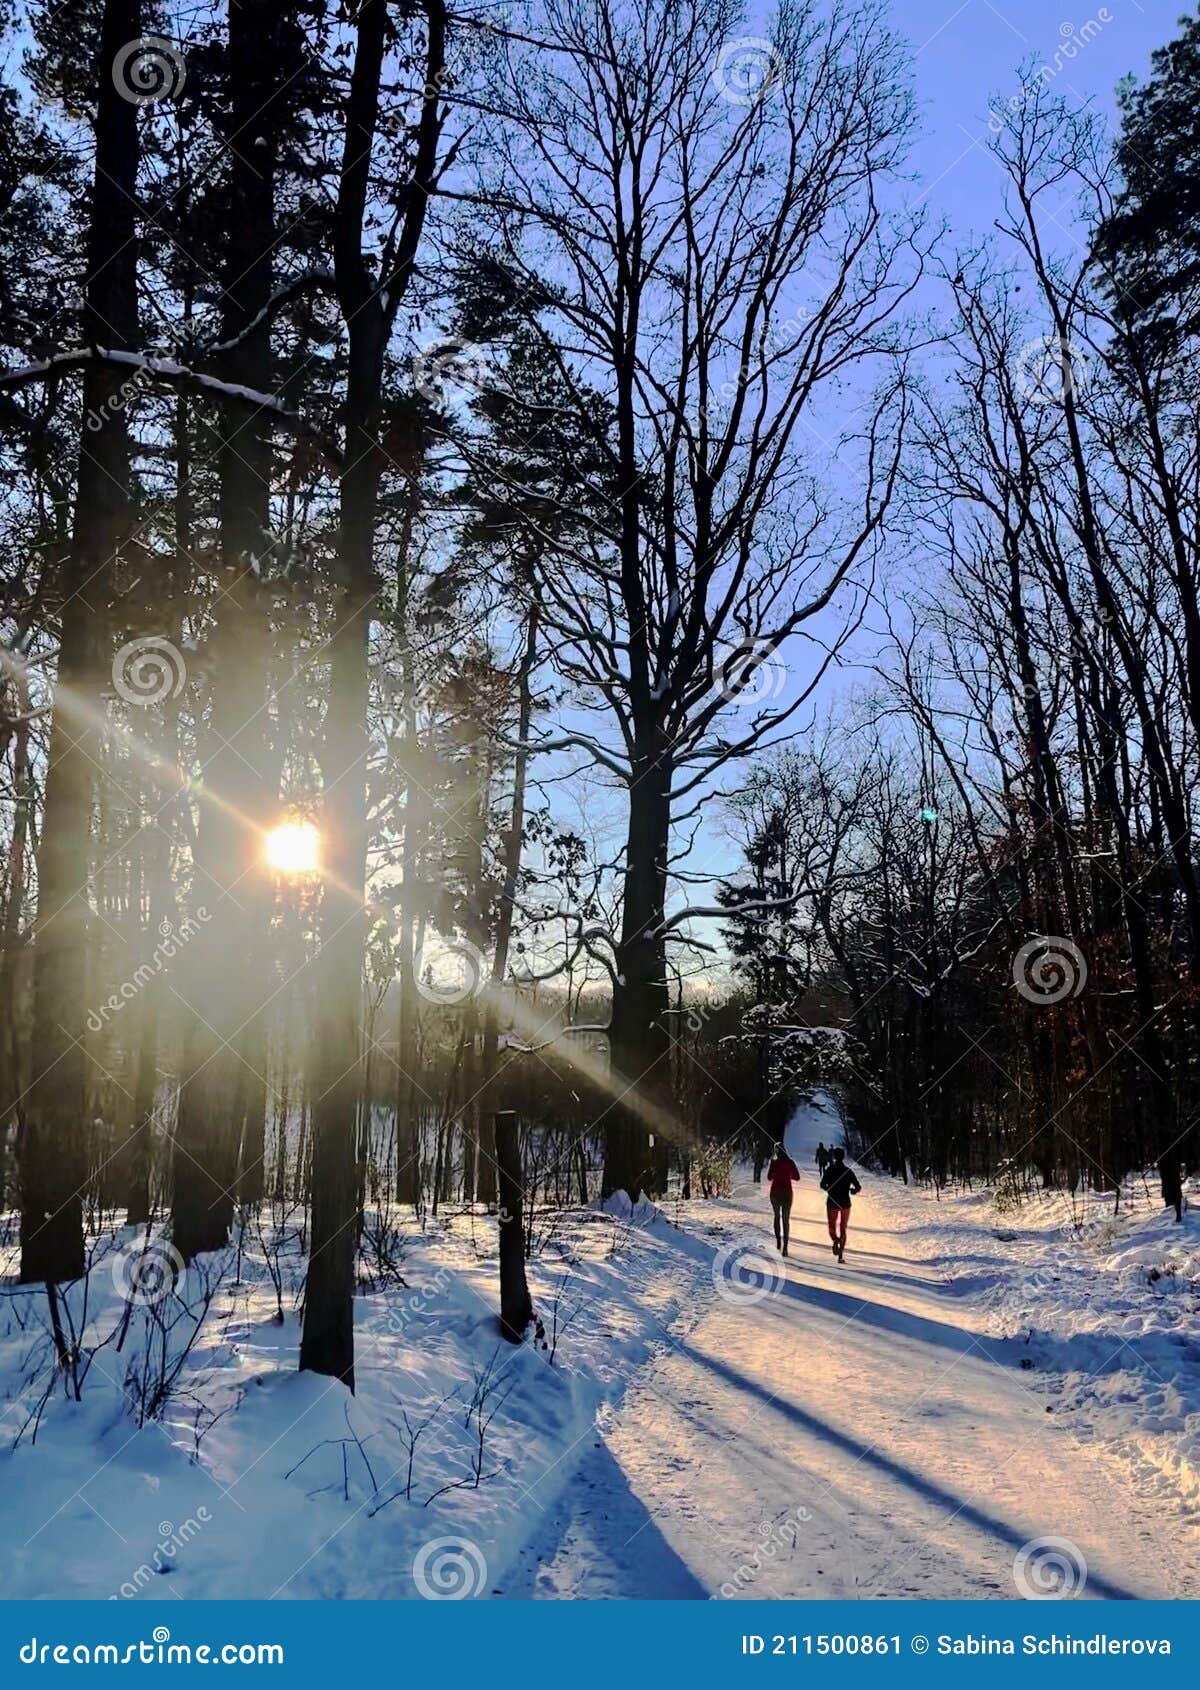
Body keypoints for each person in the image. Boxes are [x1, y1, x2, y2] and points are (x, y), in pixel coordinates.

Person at [820, 1145, 861, 1262]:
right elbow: (858, 1186)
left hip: (832, 1202)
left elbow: (822, 1185)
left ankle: (835, 1241)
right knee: (843, 1227)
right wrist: (853, 1191)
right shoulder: (848, 1171)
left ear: (834, 1157)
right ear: (843, 1157)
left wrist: (828, 1188)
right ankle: (841, 1255)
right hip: (845, 1203)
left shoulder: (829, 1170)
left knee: (832, 1225)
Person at [767, 1142, 801, 1256]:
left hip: (775, 1193)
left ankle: (778, 1243)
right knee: (785, 1220)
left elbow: (769, 1177)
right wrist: (788, 1175)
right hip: (787, 1193)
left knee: (777, 1217)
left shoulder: (774, 1162)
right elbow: (797, 1177)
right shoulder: (790, 1163)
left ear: (776, 1152)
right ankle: (785, 1247)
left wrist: (776, 1171)